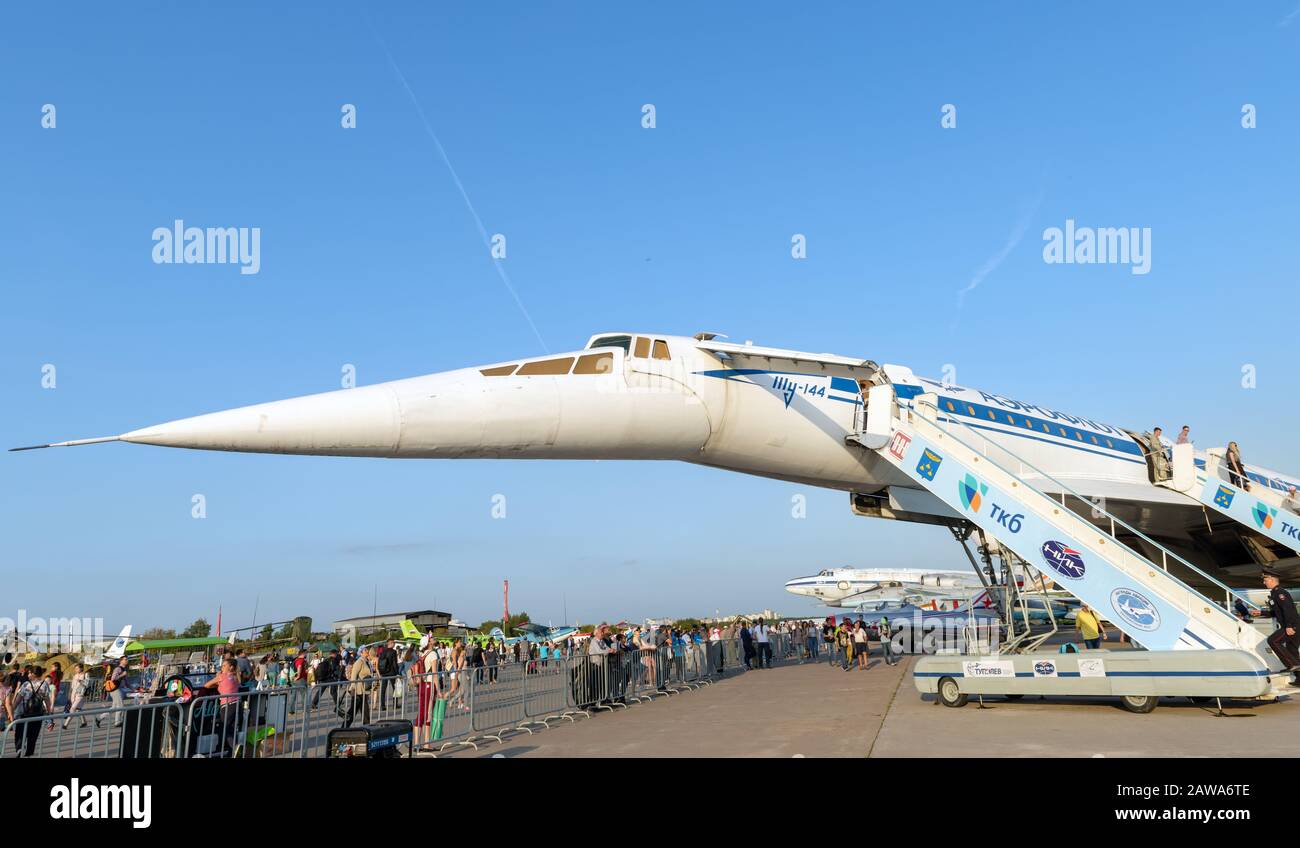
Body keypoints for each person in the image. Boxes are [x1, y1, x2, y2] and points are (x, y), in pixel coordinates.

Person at [1252, 569, 1300, 680]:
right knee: (1292, 651)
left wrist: (1289, 626)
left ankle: (1292, 664)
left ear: (1272, 579)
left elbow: (1288, 609)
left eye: (1265, 580)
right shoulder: (1275, 593)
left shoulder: (1280, 593)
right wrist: (1261, 612)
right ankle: (1299, 679)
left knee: (1273, 641)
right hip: (1294, 625)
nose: (1264, 583)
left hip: (1293, 626)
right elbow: (1277, 612)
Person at [6, 666, 53, 756]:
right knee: (33, 736)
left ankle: (19, 749)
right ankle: (28, 754)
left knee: (20, 733)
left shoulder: (26, 684)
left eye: (30, 673)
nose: (28, 675)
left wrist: (11, 712)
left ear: (34, 674)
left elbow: (17, 700)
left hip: (25, 713)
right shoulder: (45, 684)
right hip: (38, 714)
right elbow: (47, 700)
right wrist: (49, 712)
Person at [62, 664, 91, 729]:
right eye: (75, 669)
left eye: (77, 668)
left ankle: (65, 724)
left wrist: (81, 681)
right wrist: (70, 693)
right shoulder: (75, 675)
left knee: (73, 708)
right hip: (74, 693)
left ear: (81, 668)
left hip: (81, 693)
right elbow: (72, 686)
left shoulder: (86, 674)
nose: (76, 670)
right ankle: (84, 722)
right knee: (78, 709)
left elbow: (88, 683)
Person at [104, 656, 130, 727]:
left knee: (114, 707)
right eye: (125, 659)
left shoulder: (124, 669)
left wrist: (132, 688)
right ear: (121, 661)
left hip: (120, 689)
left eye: (127, 659)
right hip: (116, 689)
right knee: (120, 706)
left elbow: (126, 681)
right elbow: (113, 679)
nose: (127, 660)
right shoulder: (118, 669)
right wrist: (122, 675)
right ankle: (117, 722)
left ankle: (100, 718)